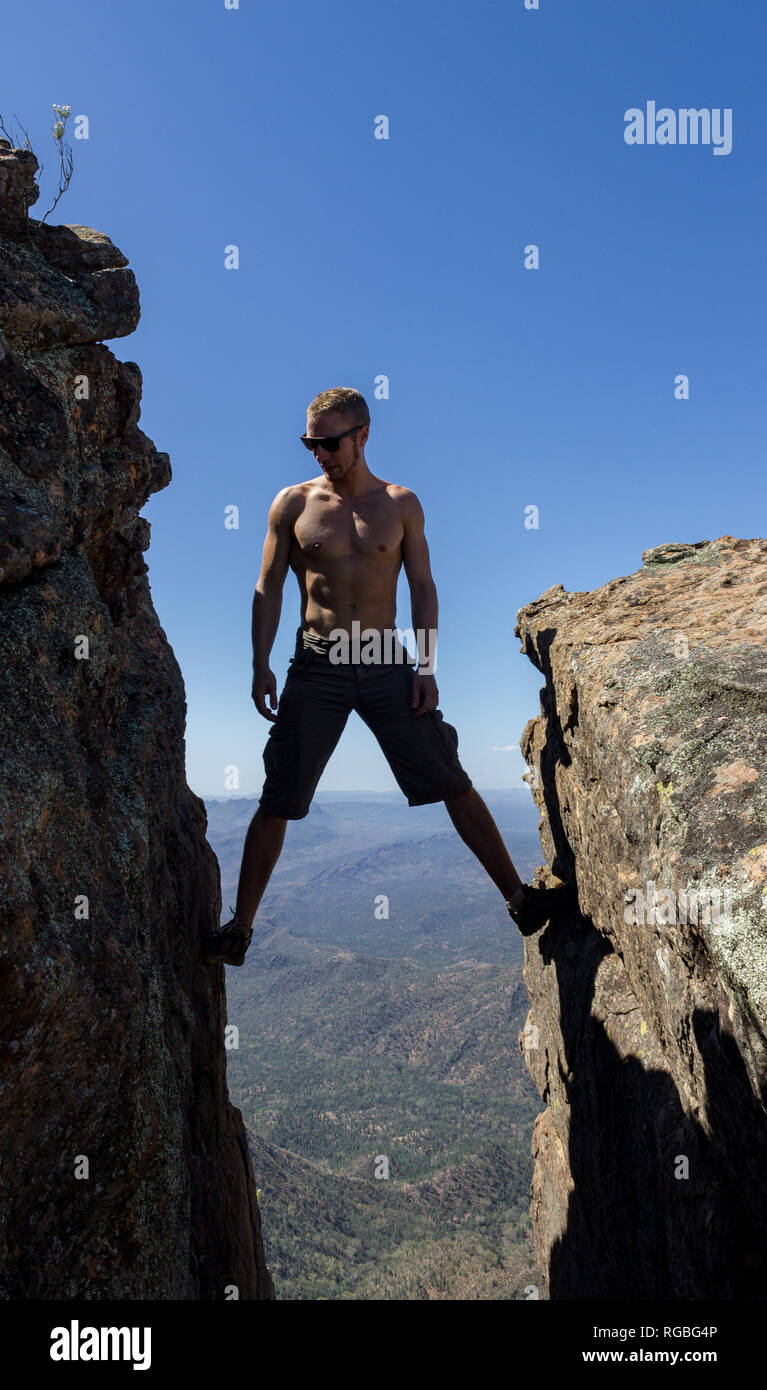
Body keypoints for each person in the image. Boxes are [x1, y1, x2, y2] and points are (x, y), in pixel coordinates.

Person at [202, 388, 570, 966]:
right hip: (318, 664)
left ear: (363, 435)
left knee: (450, 778)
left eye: (329, 442)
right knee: (278, 797)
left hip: (385, 662)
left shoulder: (401, 504)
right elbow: (267, 587)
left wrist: (426, 665)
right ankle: (239, 931)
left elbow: (422, 586)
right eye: (310, 443)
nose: (318, 453)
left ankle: (521, 902)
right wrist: (259, 663)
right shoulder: (292, 505)